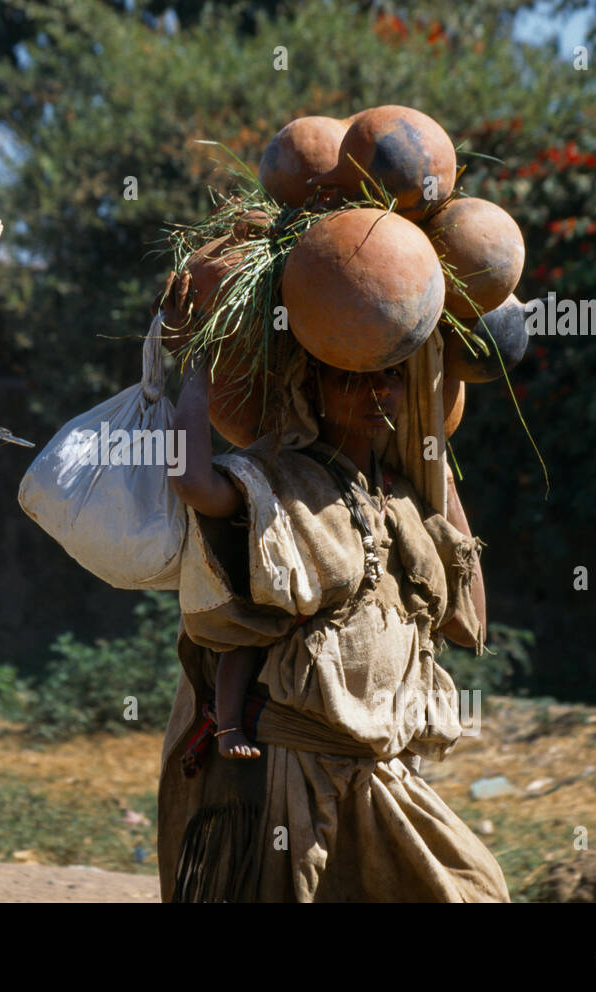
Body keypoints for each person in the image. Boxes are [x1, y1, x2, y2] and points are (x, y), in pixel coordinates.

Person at [158, 346, 510, 902]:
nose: (379, 393)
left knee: (474, 889)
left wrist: (435, 451)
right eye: (354, 377)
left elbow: (471, 626)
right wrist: (198, 367)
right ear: (311, 386)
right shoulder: (282, 481)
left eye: (392, 377)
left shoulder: (404, 499)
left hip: (385, 777)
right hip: (292, 776)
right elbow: (191, 480)